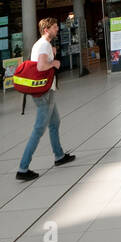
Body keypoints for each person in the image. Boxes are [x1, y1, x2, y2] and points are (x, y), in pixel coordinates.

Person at [17, 18, 76, 181]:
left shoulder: (42, 44)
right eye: (54, 27)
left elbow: (41, 63)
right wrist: (55, 62)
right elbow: (41, 67)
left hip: (45, 90)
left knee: (55, 122)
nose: (57, 29)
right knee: (39, 129)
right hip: (43, 94)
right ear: (46, 30)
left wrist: (52, 56)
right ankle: (23, 168)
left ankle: (59, 156)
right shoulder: (43, 45)